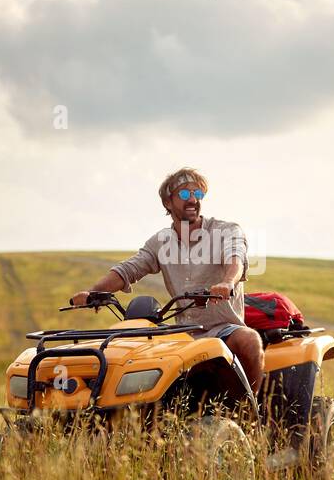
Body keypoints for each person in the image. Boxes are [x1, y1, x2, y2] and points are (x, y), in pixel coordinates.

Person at [70, 167, 264, 392]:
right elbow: (129, 269)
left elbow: (235, 257)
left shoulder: (226, 231)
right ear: (167, 203)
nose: (192, 199)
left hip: (224, 328)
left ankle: (250, 415)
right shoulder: (161, 242)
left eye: (198, 194)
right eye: (184, 194)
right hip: (183, 334)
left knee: (249, 341)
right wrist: (94, 293)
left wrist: (228, 282)